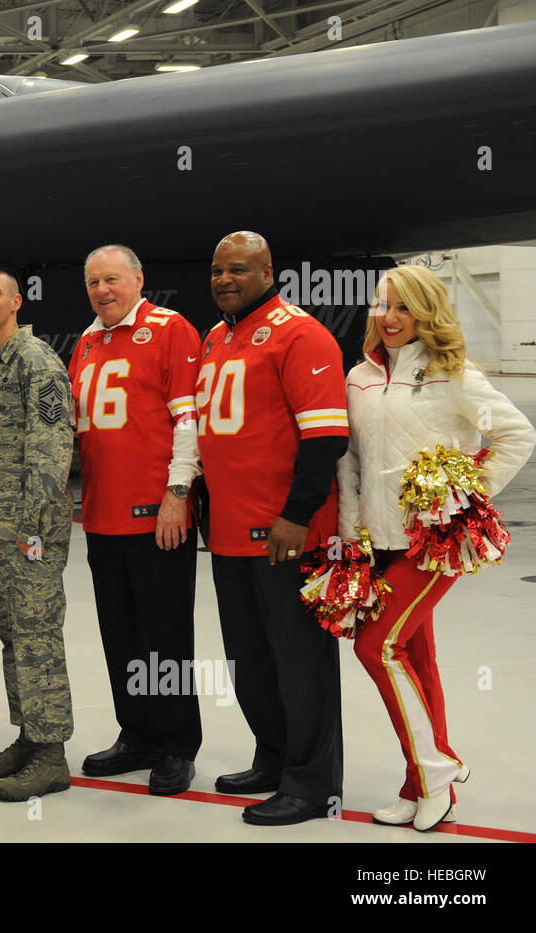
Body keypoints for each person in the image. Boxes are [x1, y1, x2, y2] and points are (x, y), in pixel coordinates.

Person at [338, 265, 534, 831]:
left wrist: (463, 498)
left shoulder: (454, 374)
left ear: (427, 313)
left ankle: (437, 772)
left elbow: (518, 434)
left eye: (404, 307)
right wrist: (353, 534)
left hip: (434, 544)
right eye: (383, 306)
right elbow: (349, 462)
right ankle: (421, 783)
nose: (391, 318)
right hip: (380, 542)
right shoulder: (359, 378)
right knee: (415, 661)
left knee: (376, 649)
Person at [198, 231, 348, 826]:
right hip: (230, 534)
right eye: (216, 271)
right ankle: (275, 757)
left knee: (300, 662)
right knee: (251, 660)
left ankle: (312, 786)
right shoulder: (216, 336)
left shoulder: (300, 333)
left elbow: (326, 437)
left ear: (267, 272)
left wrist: (297, 516)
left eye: (238, 270)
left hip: (287, 534)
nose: (224, 280)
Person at [68, 245, 202, 796]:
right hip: (102, 516)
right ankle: (137, 733)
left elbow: (189, 421)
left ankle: (175, 745)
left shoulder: (171, 330)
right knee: (120, 636)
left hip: (158, 517)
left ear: (139, 279)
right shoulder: (86, 341)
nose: (103, 290)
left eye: (113, 279)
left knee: (165, 636)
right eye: (94, 282)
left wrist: (177, 493)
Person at [0, 267, 75, 802]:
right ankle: (31, 738)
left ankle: (52, 755)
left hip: (28, 532)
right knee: (14, 638)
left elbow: (52, 450)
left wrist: (33, 528)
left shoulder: (35, 362)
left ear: (16, 303)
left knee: (37, 641)